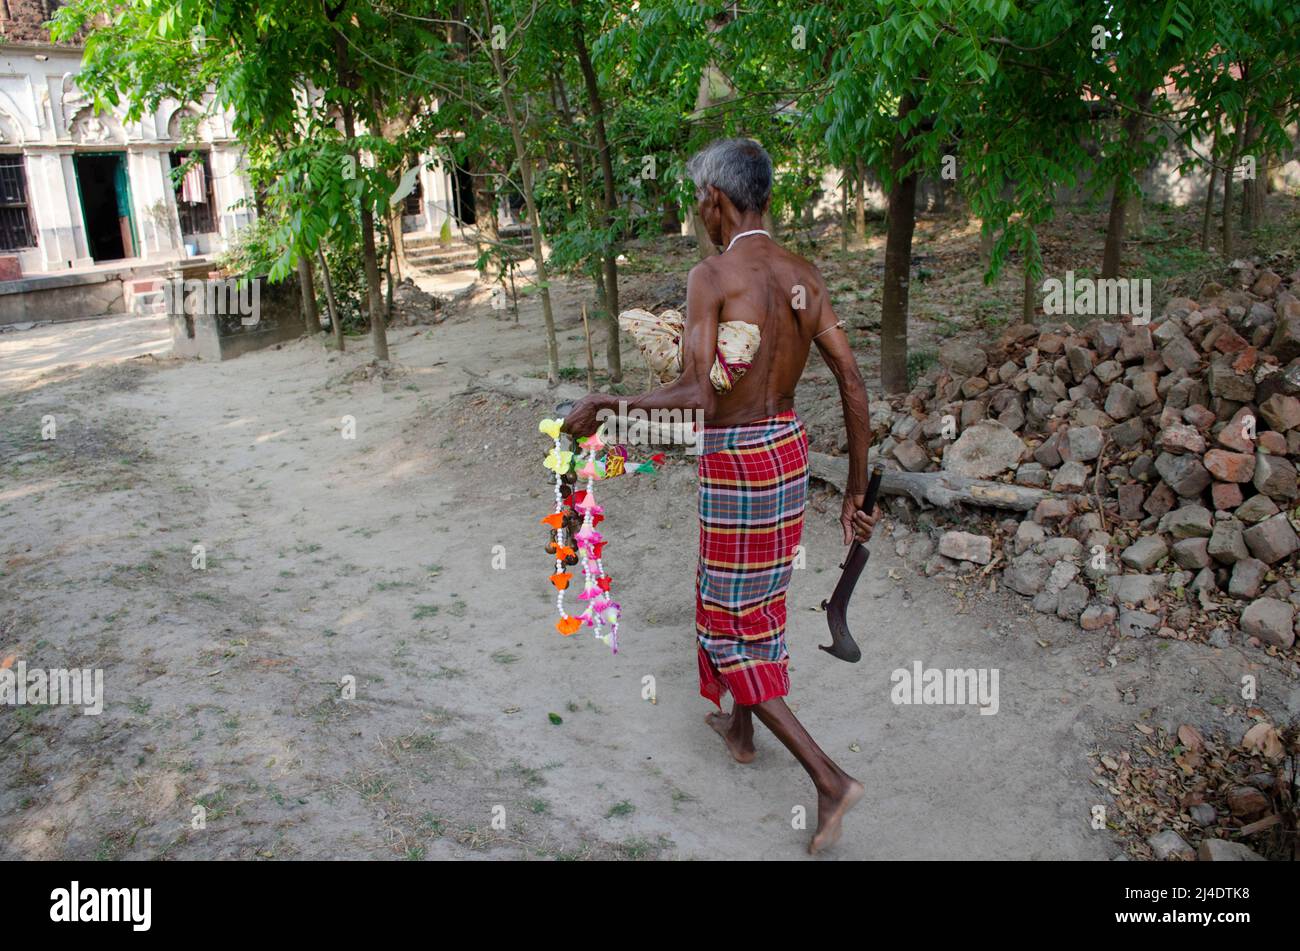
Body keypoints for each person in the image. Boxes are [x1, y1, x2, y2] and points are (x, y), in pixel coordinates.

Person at [563, 137, 879, 854]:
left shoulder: (713, 274)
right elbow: (854, 385)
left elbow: (700, 397)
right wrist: (855, 487)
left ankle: (829, 779)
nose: (699, 212)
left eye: (699, 201)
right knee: (751, 595)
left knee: (726, 629)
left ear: (716, 199)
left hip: (737, 459)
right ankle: (739, 727)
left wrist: (610, 403)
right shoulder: (802, 275)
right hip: (786, 450)